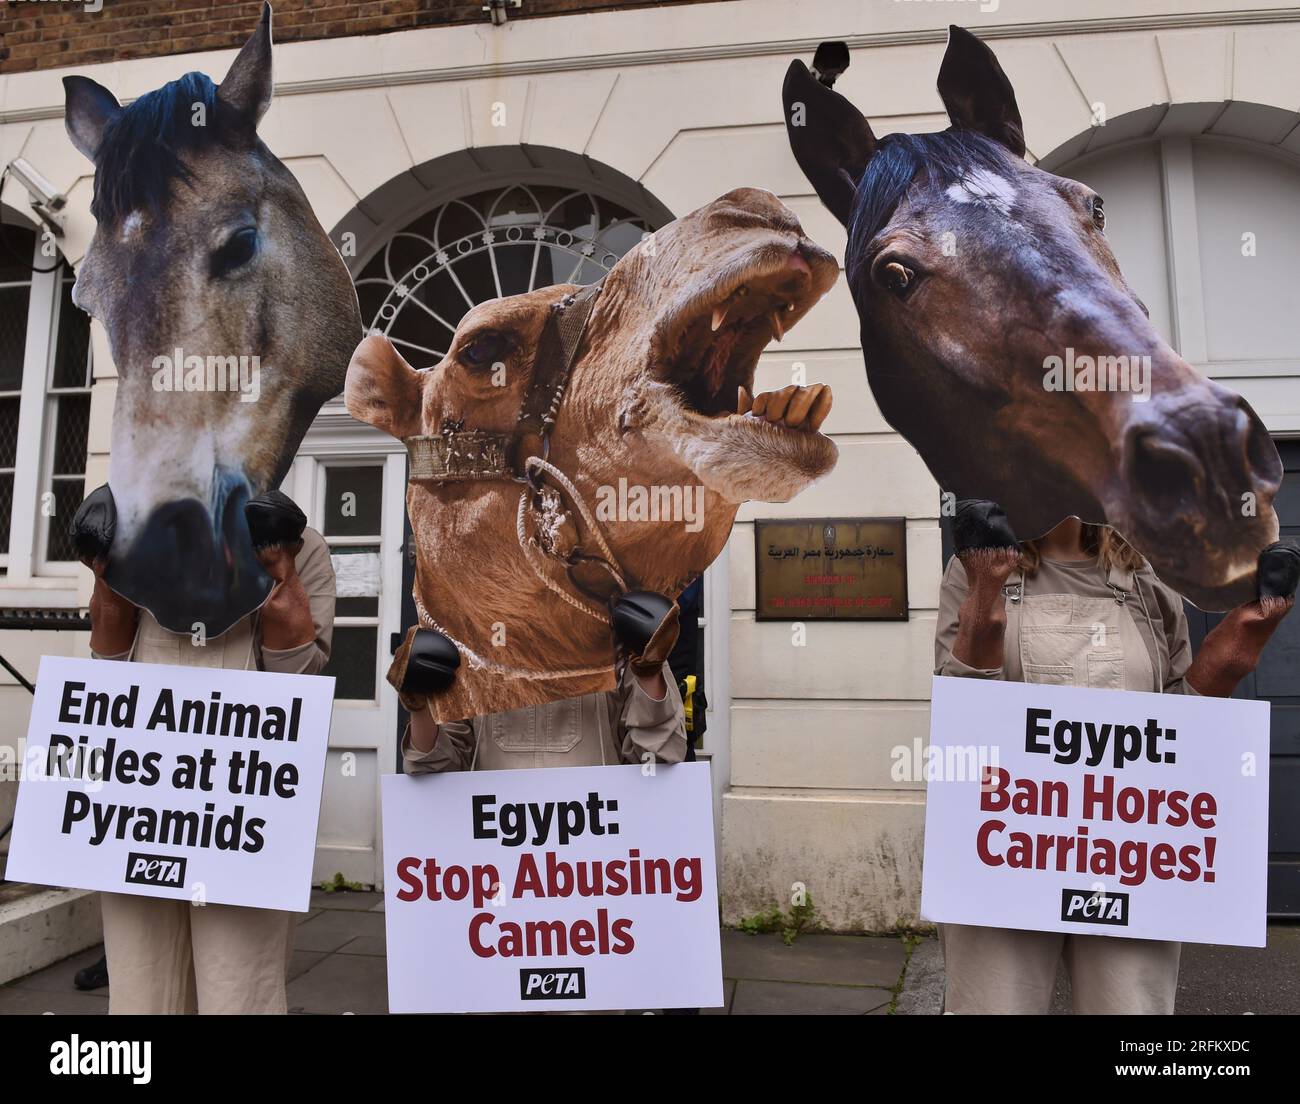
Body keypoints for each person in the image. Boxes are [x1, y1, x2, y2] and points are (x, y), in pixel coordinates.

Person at [934, 500, 1298, 1015]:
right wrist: (986, 589)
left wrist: (1237, 646)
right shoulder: (969, 567)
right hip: (1004, 845)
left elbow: (1183, 719)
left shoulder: (1146, 572)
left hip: (1130, 854)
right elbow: (963, 707)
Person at [79, 487, 336, 1015]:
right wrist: (106, 573)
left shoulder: (302, 542)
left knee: (239, 986)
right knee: (140, 983)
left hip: (241, 812)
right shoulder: (136, 531)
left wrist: (279, 571)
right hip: (140, 802)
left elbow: (302, 688)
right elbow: (106, 666)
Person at [390, 591, 686, 773]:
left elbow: (657, 760)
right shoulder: (469, 644)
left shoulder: (619, 639)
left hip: (600, 860)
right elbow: (434, 771)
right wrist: (421, 705)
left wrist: (648, 671)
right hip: (493, 857)